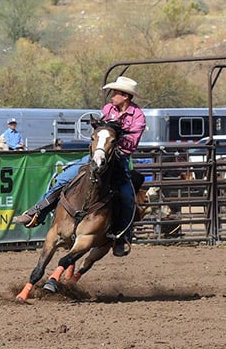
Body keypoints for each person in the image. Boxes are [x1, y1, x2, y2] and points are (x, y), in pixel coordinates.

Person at [12, 76, 145, 257]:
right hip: (97, 155)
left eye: (116, 93)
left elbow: (131, 143)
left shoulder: (137, 117)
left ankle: (122, 237)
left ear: (126, 96)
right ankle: (38, 210)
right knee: (64, 178)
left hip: (119, 159)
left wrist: (114, 137)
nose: (112, 96)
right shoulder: (108, 109)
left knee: (127, 196)